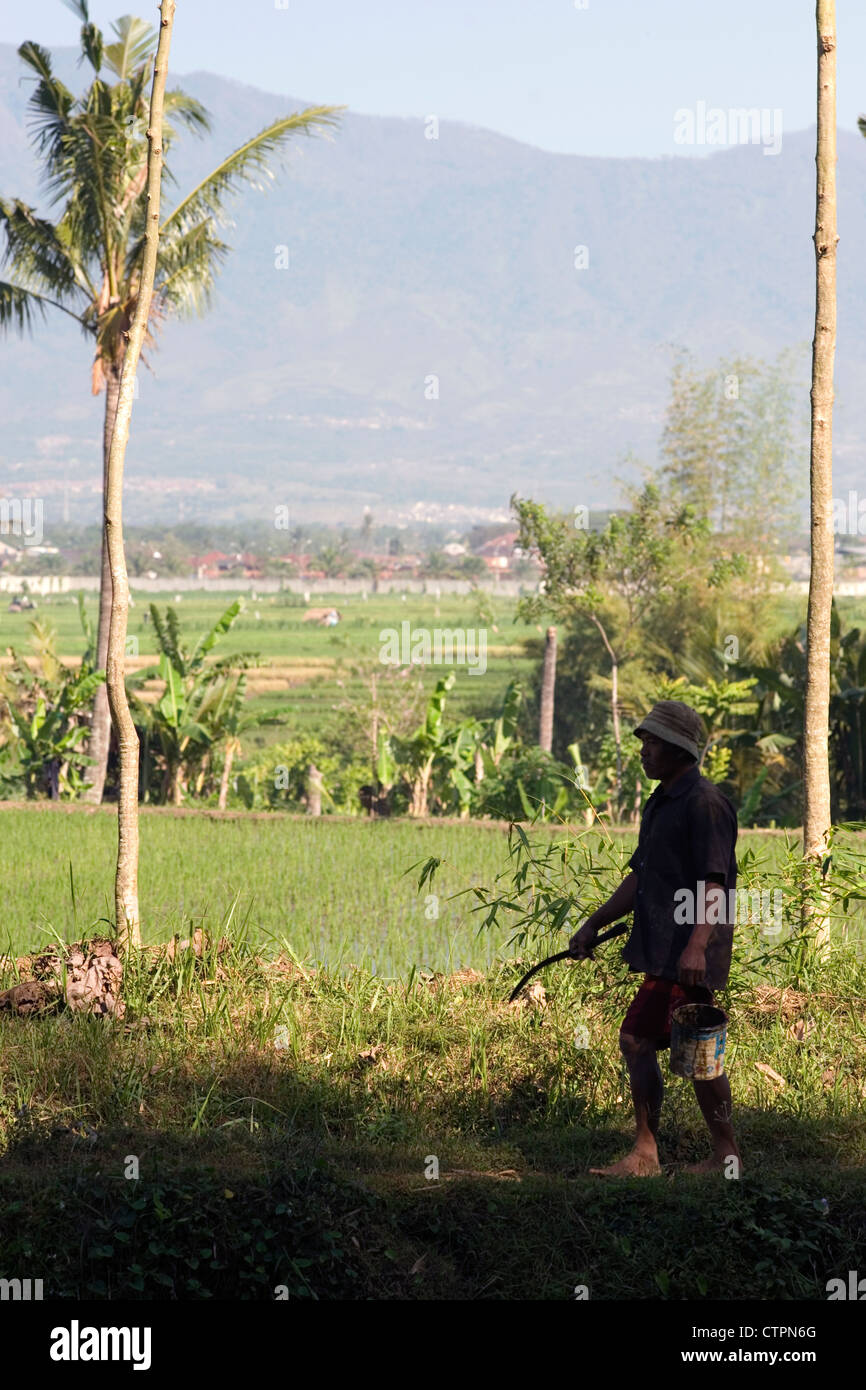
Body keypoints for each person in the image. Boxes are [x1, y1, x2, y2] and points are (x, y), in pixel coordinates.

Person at [570, 699, 742, 1178]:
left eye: (652, 742)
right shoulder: (663, 800)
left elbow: (714, 882)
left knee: (639, 1039)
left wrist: (695, 946)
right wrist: (595, 922)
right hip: (668, 949)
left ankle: (647, 1154)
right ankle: (725, 1157)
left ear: (680, 750)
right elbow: (639, 876)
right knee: (697, 1050)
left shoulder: (704, 804)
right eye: (643, 741)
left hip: (685, 952)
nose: (643, 750)